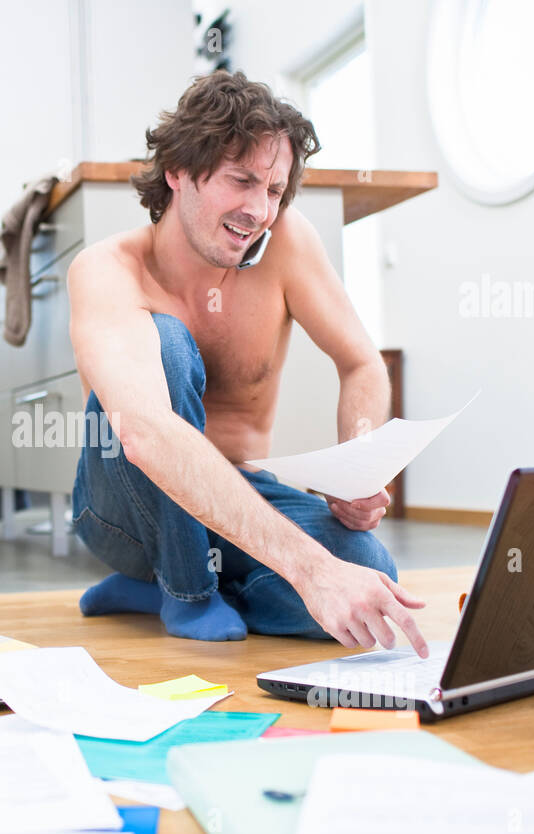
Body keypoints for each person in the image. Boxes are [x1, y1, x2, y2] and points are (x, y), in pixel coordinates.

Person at [68, 70, 428, 656]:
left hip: (236, 495)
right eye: (241, 181)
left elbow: (362, 362)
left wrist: (358, 467)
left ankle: (156, 589)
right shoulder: (106, 270)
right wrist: (310, 570)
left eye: (274, 190)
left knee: (369, 571)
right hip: (124, 510)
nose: (259, 210)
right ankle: (184, 592)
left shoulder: (286, 242)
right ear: (178, 171)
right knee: (169, 343)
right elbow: (145, 435)